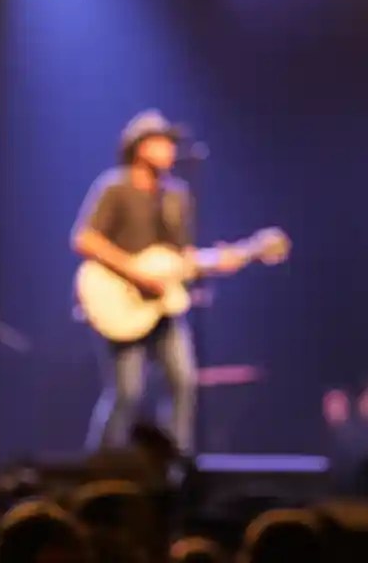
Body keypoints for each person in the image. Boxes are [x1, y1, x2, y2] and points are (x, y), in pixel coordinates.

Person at [73, 110, 287, 455]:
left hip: (163, 307)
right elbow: (84, 239)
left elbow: (180, 255)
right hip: (120, 301)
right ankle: (100, 465)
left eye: (171, 143)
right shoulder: (115, 188)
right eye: (161, 142)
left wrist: (225, 259)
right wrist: (135, 272)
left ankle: (174, 466)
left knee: (183, 382)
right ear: (139, 147)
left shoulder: (177, 195)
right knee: (127, 391)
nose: (170, 149)